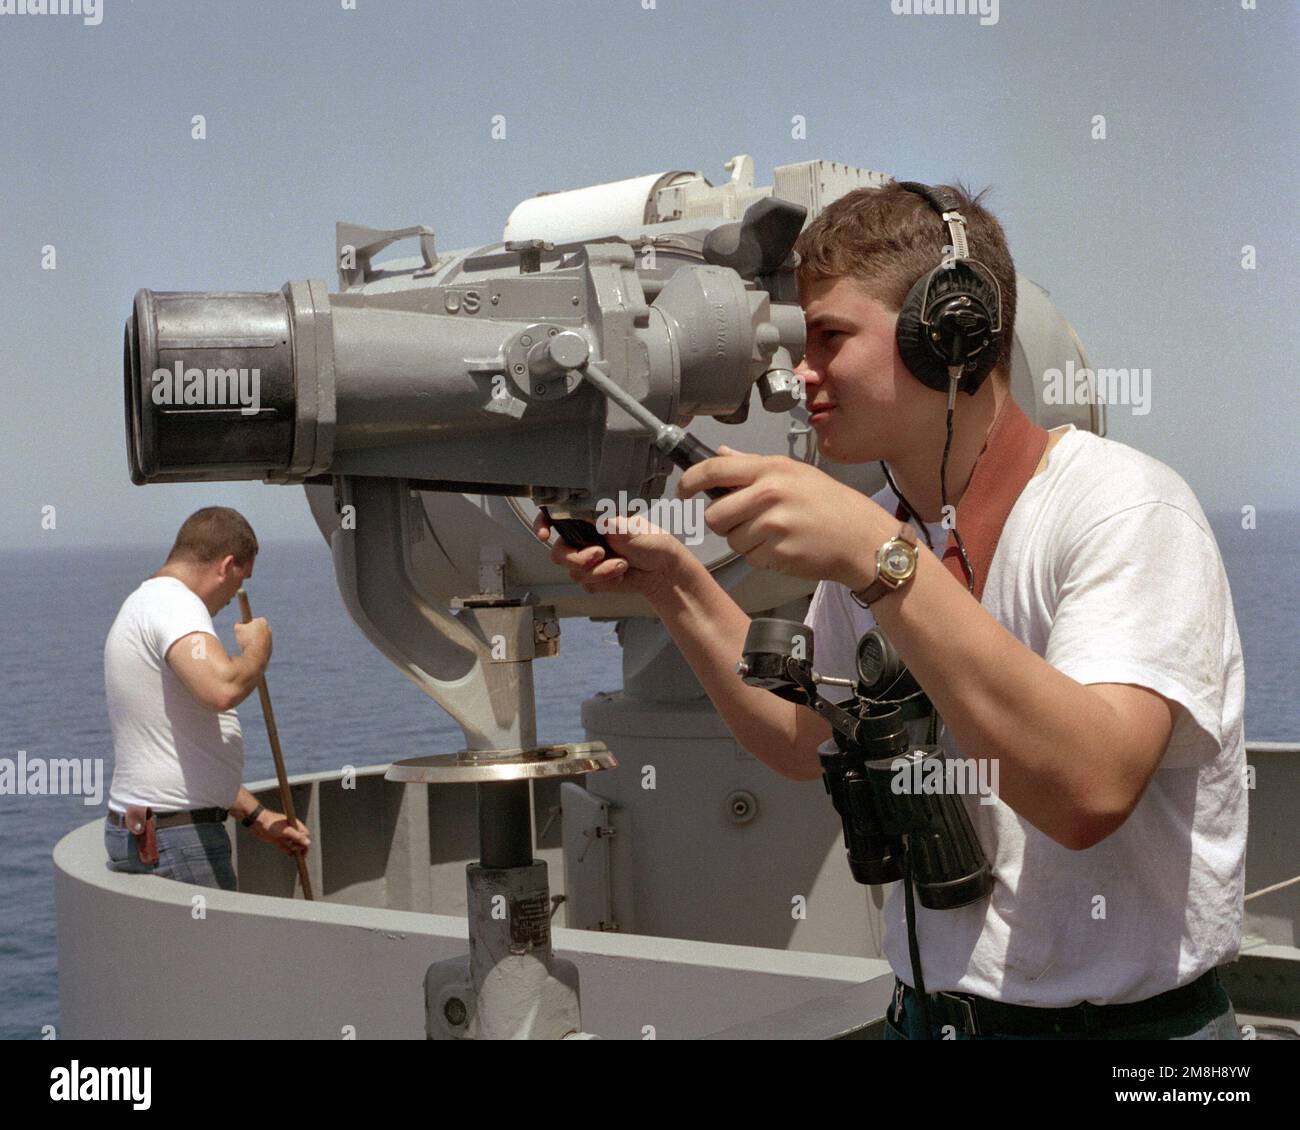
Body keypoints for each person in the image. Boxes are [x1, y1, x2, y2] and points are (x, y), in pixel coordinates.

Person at [533, 181, 1246, 1040]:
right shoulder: (889, 531)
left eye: (832, 336)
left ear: (951, 335)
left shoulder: (1124, 511)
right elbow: (805, 737)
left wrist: (882, 562)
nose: (802, 370)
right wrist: (673, 583)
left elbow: (1088, 791)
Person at [104, 506, 310, 891]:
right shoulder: (175, 605)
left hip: (154, 832)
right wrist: (258, 651)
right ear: (226, 565)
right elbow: (223, 689)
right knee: (216, 952)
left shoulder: (144, 603)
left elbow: (183, 754)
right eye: (240, 580)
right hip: (178, 841)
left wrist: (257, 817)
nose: (234, 597)